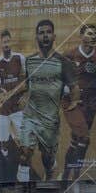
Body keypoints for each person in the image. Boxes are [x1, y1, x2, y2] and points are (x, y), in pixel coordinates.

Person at [19, 19, 75, 182]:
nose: (45, 36)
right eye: (41, 32)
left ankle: (50, 168)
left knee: (47, 157)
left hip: (50, 120)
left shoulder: (63, 62)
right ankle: (23, 184)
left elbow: (74, 88)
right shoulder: (29, 61)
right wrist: (23, 95)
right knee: (24, 153)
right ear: (36, 36)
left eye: (48, 32)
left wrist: (73, 102)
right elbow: (27, 84)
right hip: (30, 115)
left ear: (54, 36)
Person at [63, 23, 96, 180]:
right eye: (90, 33)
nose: (94, 37)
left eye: (95, 34)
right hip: (74, 100)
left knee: (77, 139)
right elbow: (60, 76)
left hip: (92, 101)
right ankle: (74, 173)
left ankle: (68, 172)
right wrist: (67, 89)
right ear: (81, 36)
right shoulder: (70, 55)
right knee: (83, 137)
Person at [0, 28, 27, 181]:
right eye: (4, 42)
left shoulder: (19, 58)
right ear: (1, 45)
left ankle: (23, 167)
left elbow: (26, 80)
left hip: (17, 107)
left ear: (11, 42)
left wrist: (23, 95)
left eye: (8, 41)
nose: (6, 45)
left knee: (21, 140)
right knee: (3, 142)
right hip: (4, 109)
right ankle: (5, 155)